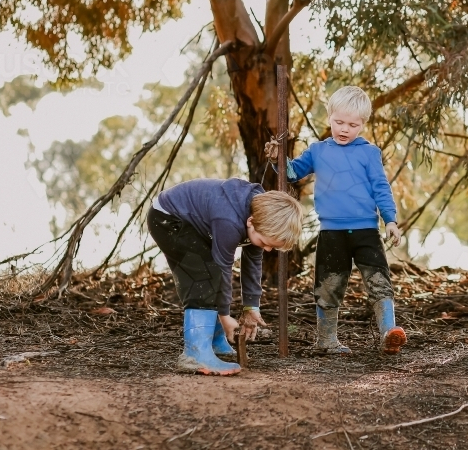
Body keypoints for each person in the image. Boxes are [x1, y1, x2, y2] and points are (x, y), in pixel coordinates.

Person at [266, 86, 406, 356]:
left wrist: (390, 220)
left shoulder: (369, 152)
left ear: (363, 124)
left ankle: (390, 332)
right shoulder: (318, 151)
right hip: (331, 232)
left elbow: (381, 187)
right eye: (339, 122)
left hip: (366, 230)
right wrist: (277, 159)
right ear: (329, 117)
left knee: (378, 281)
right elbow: (293, 172)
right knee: (328, 285)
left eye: (353, 125)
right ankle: (326, 339)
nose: (344, 129)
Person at [147, 179, 303, 375]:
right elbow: (223, 268)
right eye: (265, 243)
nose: (268, 249)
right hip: (168, 219)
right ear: (251, 222)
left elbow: (253, 264)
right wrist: (224, 315)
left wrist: (251, 306)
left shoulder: (260, 216)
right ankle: (195, 354)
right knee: (202, 277)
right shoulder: (228, 221)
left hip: (193, 225)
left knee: (211, 273)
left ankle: (214, 341)